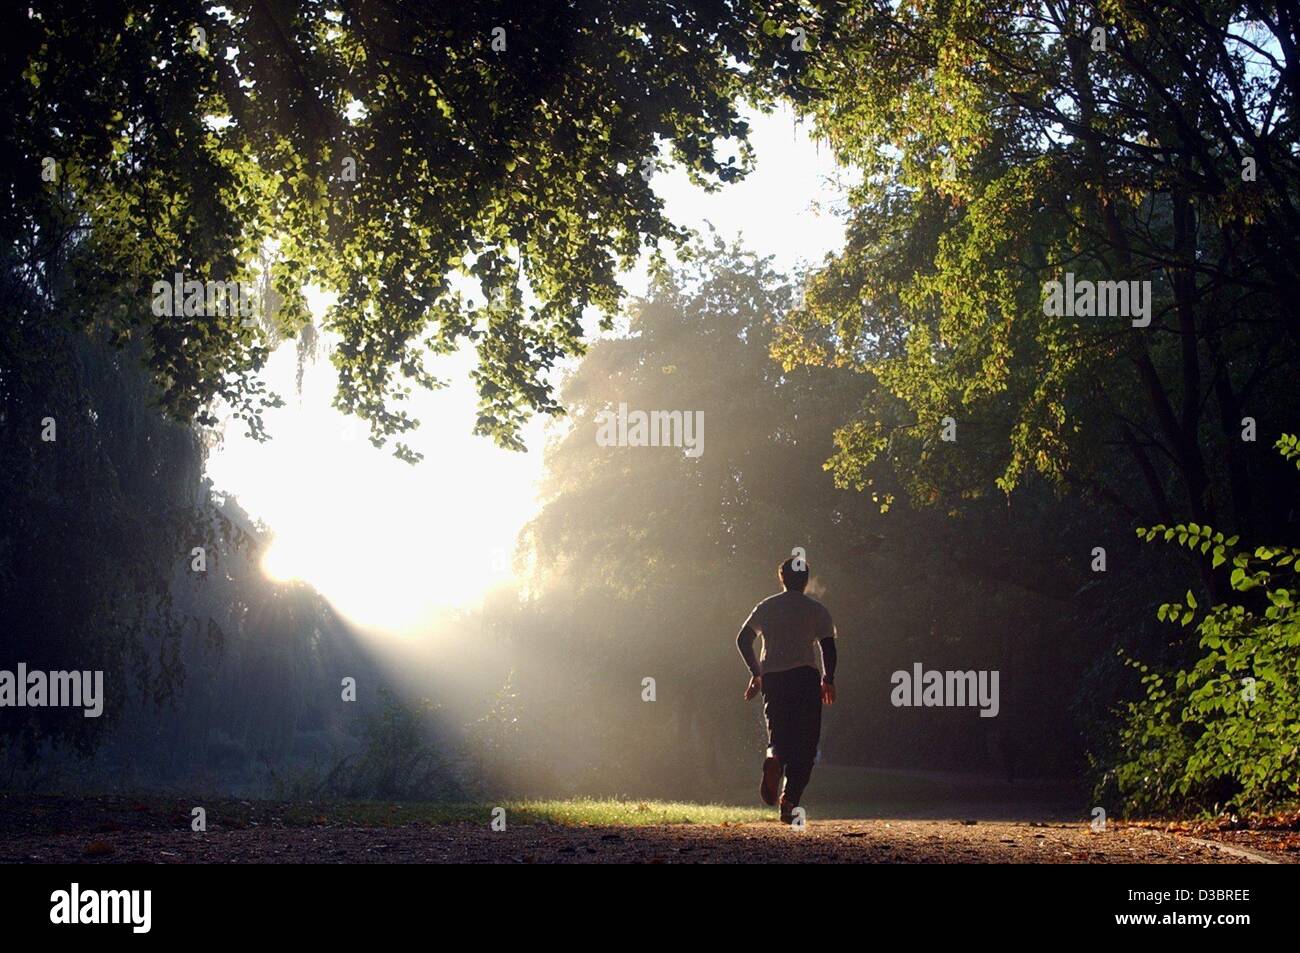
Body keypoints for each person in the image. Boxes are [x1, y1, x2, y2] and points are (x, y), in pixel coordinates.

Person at [736, 557, 837, 824]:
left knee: (779, 735)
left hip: (774, 679)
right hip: (804, 678)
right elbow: (827, 647)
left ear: (781, 578)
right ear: (805, 580)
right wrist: (828, 679)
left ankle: (773, 757)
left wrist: (756, 673)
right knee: (805, 743)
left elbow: (743, 639)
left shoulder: (767, 607)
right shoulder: (816, 610)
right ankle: (789, 799)